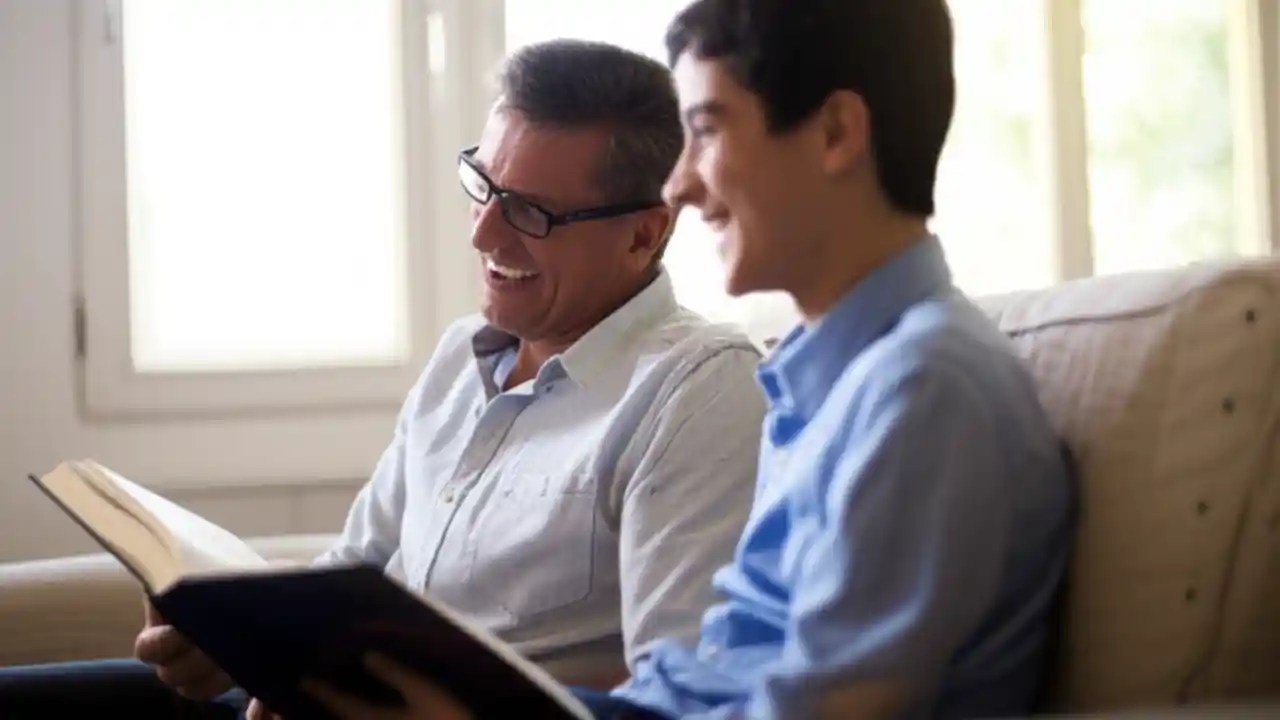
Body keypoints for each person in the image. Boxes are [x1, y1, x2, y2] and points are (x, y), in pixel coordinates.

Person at [300, 0, 1078, 719]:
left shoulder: (924, 390)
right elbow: (693, 691)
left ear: (836, 133)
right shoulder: (824, 384)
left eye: (706, 131)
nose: (681, 185)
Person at [0, 39, 766, 720]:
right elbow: (354, 567)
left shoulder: (698, 393)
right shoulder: (461, 357)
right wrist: (234, 648)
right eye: (483, 185)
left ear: (644, 233)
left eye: (530, 212)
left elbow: (683, 697)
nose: (483, 233)